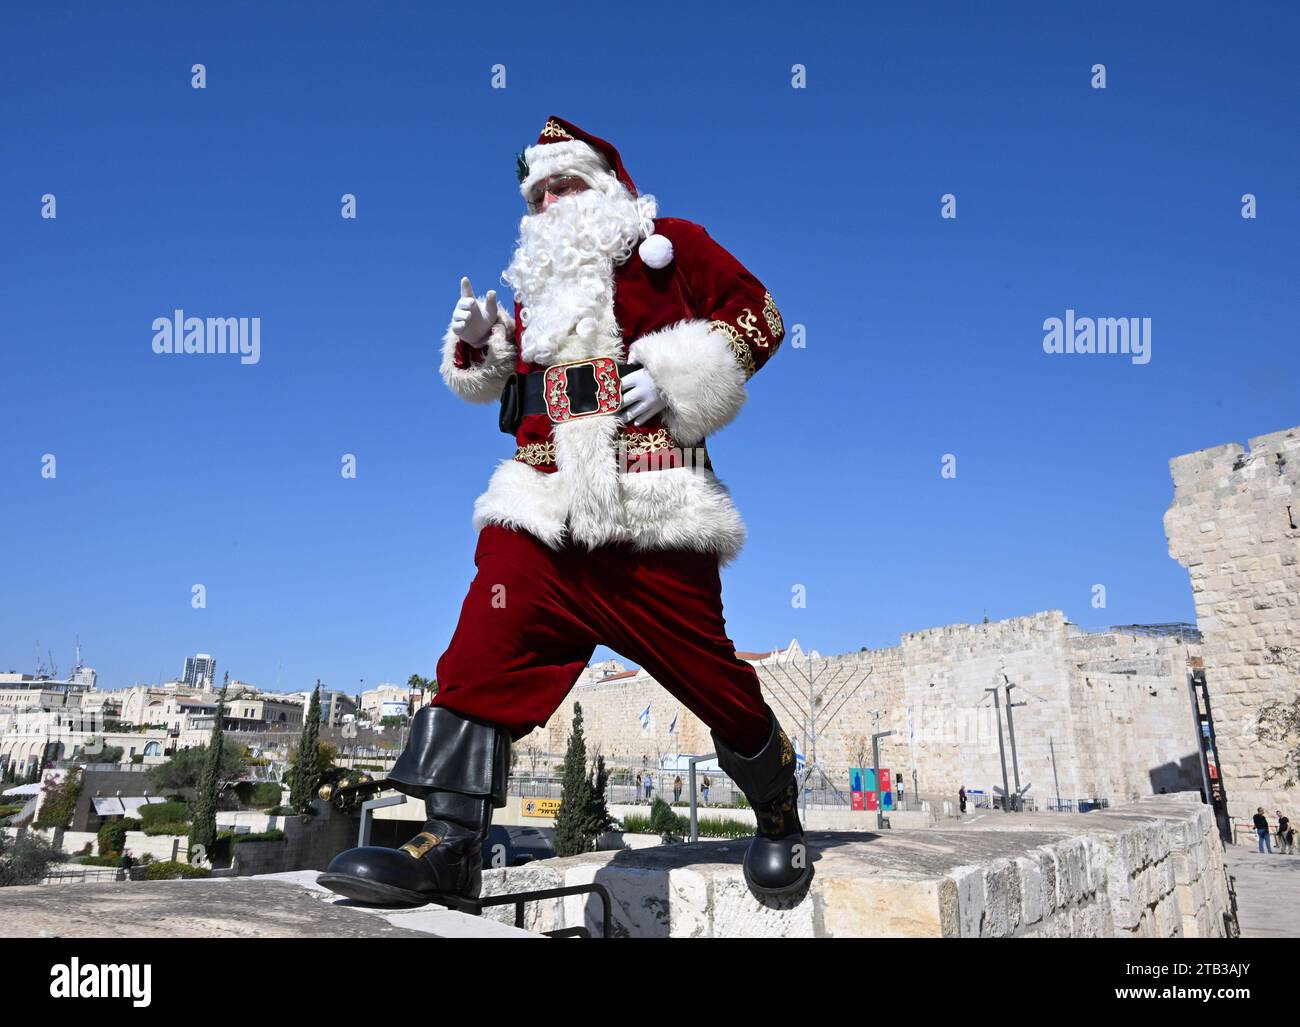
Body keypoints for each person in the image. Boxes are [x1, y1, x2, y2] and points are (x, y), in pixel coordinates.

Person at [318, 118, 800, 904]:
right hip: (541, 502)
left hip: (649, 505)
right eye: (538, 192)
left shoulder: (672, 241)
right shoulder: (533, 287)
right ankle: (450, 842)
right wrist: (482, 345)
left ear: (606, 184)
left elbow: (762, 317)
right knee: (482, 648)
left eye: (564, 184)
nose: (550, 201)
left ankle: (777, 806)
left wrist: (680, 380)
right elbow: (500, 382)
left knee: (715, 679)